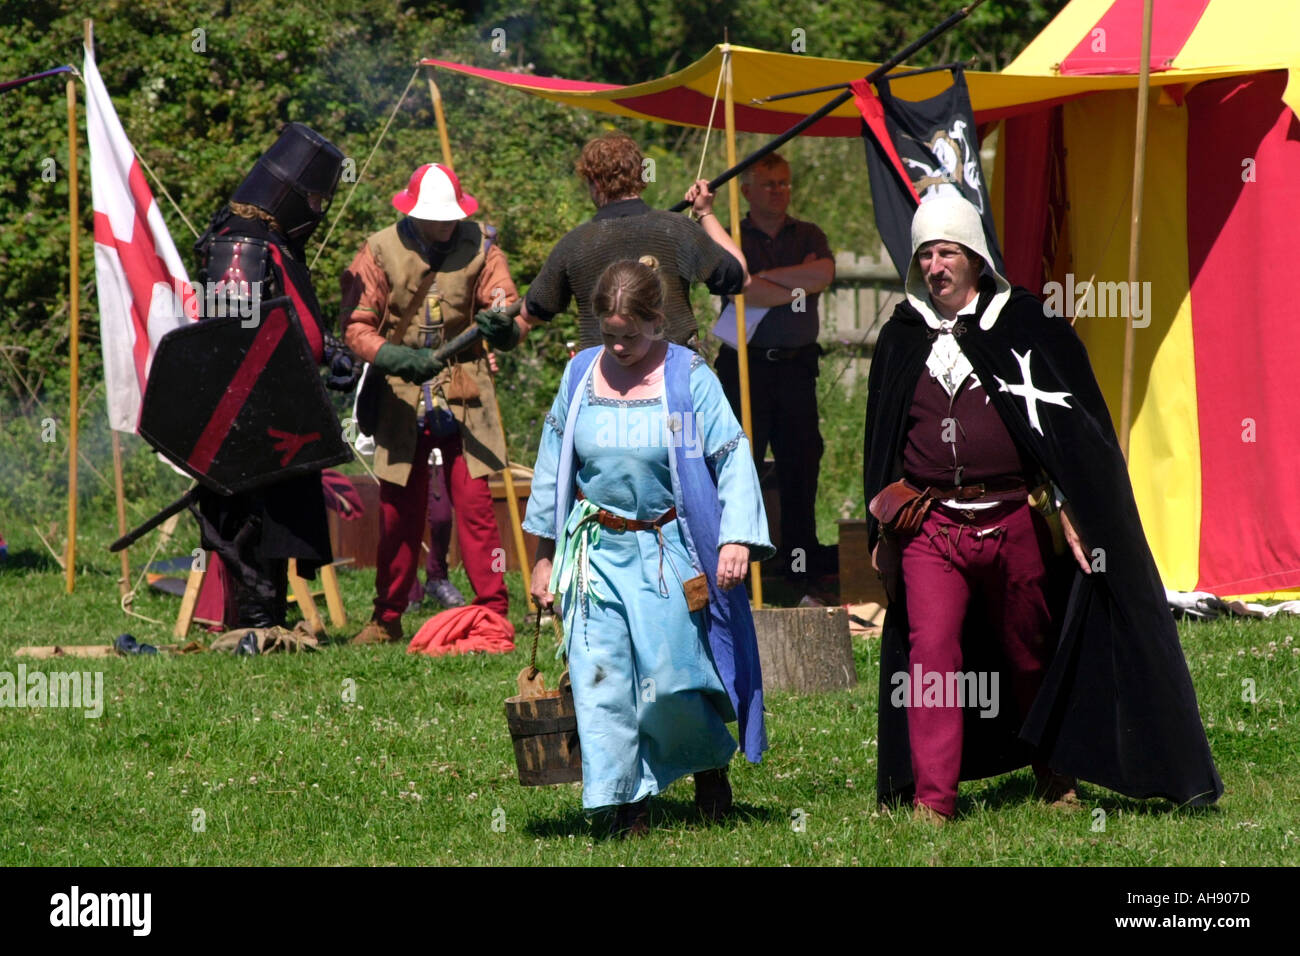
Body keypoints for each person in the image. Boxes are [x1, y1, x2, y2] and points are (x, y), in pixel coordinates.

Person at [863, 195, 1223, 823]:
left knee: (1031, 649)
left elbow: (1070, 433)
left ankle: (1056, 773)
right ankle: (934, 800)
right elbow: (882, 440)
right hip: (932, 526)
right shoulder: (901, 335)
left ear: (975, 256)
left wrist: (1071, 505)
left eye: (946, 251)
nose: (934, 265)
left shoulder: (1025, 325)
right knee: (932, 652)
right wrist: (882, 533)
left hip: (1013, 518)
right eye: (924, 253)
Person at [525, 257, 773, 838]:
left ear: (657, 322)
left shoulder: (687, 380)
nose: (618, 348)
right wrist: (542, 557)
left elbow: (731, 453)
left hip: (666, 552)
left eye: (630, 336)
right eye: (608, 336)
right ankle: (624, 802)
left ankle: (708, 762)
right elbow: (551, 465)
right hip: (595, 552)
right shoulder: (581, 375)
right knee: (601, 678)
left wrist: (736, 536)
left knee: (670, 679)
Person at [340, 163, 531, 644]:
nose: (444, 226)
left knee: (476, 508)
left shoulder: (482, 246)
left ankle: (493, 612)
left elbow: (511, 311)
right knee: (397, 509)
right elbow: (355, 326)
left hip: (466, 389)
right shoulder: (378, 249)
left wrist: (504, 327)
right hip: (401, 395)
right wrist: (394, 355)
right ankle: (387, 616)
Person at [192, 122, 350, 637]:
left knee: (281, 514)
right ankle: (255, 625)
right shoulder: (239, 248)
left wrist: (327, 350)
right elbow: (235, 342)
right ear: (286, 194)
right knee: (252, 516)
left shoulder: (272, 242)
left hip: (284, 404)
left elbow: (287, 318)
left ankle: (269, 620)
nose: (318, 211)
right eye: (313, 199)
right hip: (248, 411)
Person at [714, 152, 836, 579]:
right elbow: (742, 292)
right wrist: (789, 279)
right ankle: (738, 559)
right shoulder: (730, 238)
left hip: (796, 368)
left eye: (784, 183)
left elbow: (821, 275)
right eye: (769, 185)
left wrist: (763, 281)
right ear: (746, 191)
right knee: (738, 461)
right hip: (744, 367)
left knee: (801, 461)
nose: (779, 191)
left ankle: (799, 562)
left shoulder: (809, 234)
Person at [521, 131, 749, 348]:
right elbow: (739, 278)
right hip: (671, 372)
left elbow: (533, 311)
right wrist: (705, 213)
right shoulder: (676, 228)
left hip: (607, 376)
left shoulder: (574, 244)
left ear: (596, 183)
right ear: (640, 175)